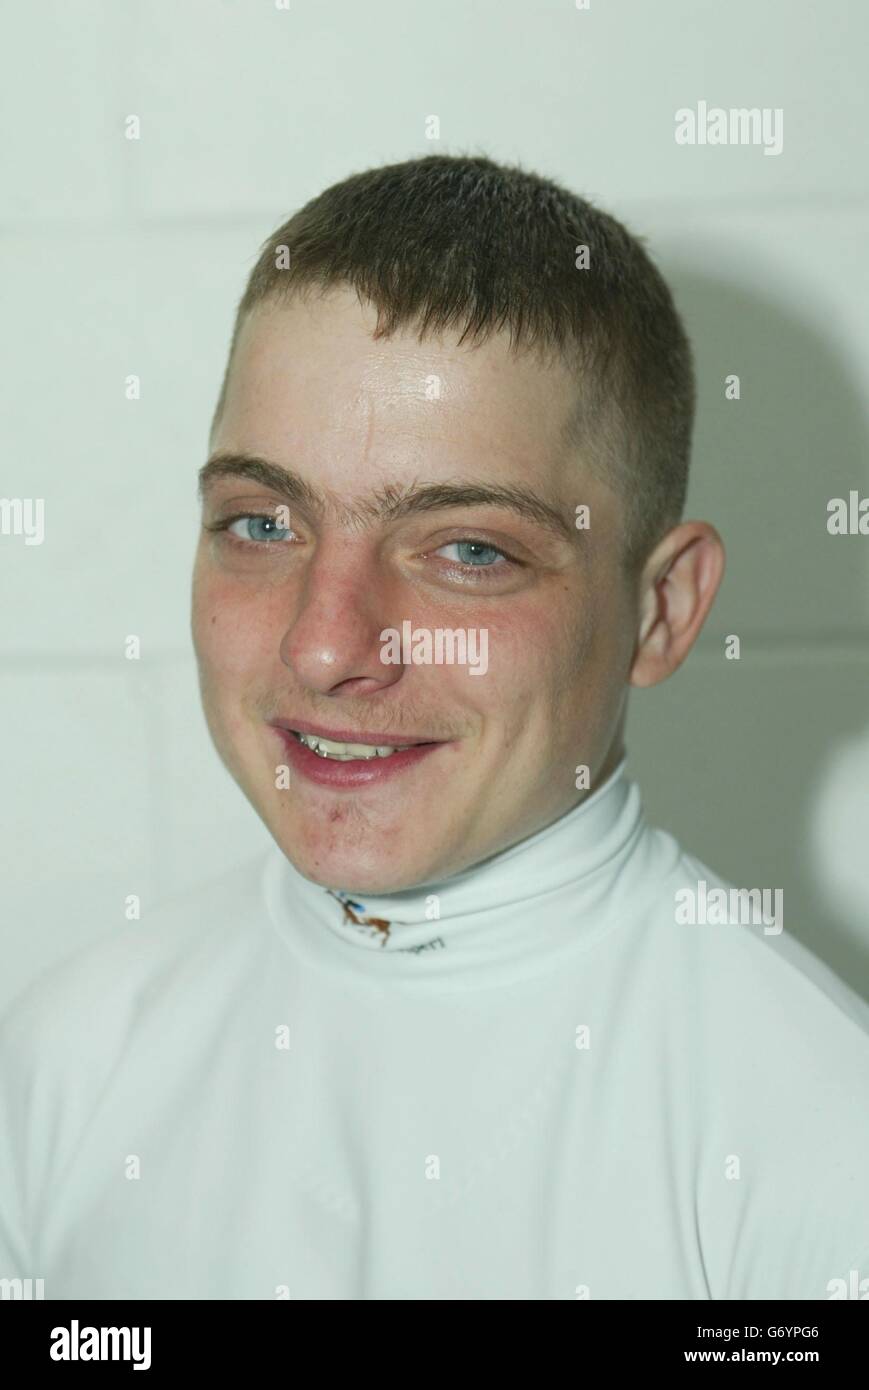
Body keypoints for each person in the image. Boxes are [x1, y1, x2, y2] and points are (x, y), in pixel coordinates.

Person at [2, 154, 868, 1301]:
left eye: (469, 550)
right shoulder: (68, 1055)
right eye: (262, 523)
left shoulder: (815, 1145)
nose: (323, 645)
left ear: (656, 611)